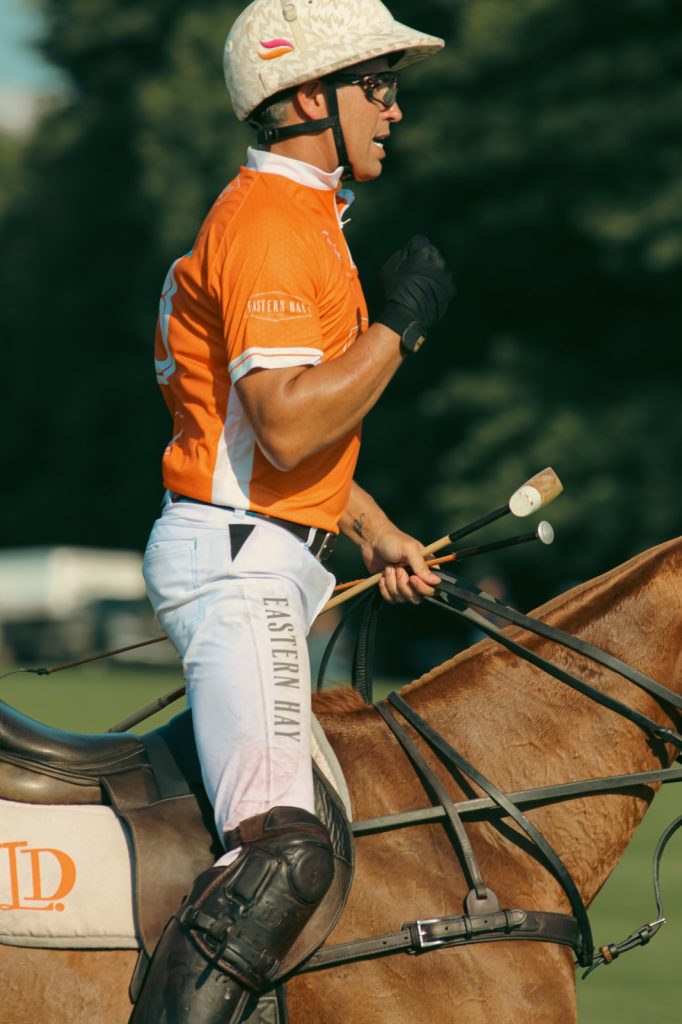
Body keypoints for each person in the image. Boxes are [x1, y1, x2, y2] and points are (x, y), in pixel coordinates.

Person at [131, 1, 454, 1021]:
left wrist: (373, 528)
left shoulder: (304, 214)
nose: (394, 111)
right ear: (307, 96)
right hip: (239, 564)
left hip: (261, 550)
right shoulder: (271, 222)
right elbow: (284, 424)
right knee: (287, 852)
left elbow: (269, 438)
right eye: (379, 86)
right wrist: (399, 329)